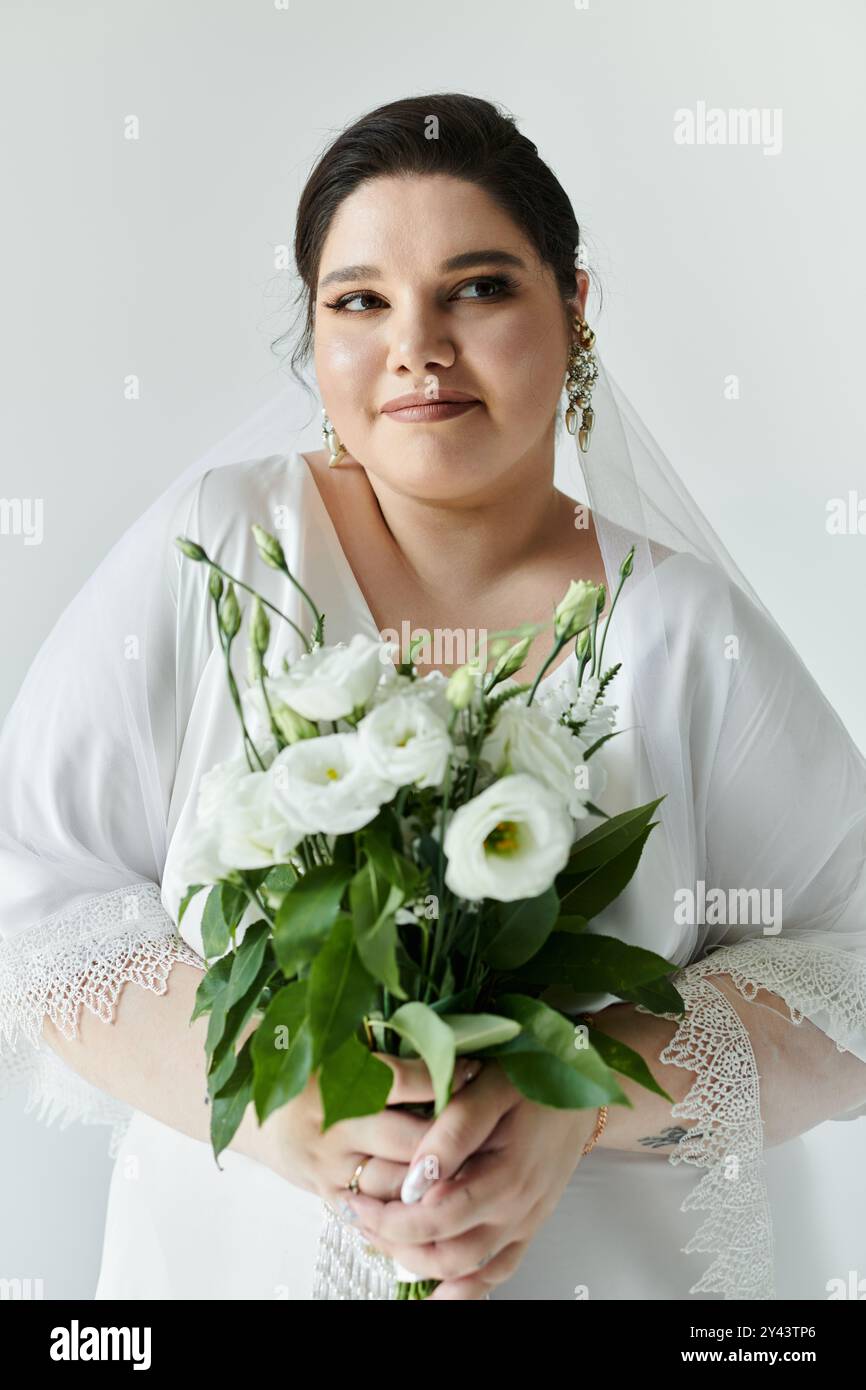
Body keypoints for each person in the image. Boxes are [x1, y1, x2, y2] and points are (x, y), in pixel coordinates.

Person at [2, 93, 866, 1302]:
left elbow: (847, 967)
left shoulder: (679, 633)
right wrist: (280, 1099)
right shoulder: (221, 553)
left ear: (571, 310)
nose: (416, 345)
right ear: (312, 335)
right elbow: (37, 898)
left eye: (476, 288)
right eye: (359, 300)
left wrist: (576, 1096)